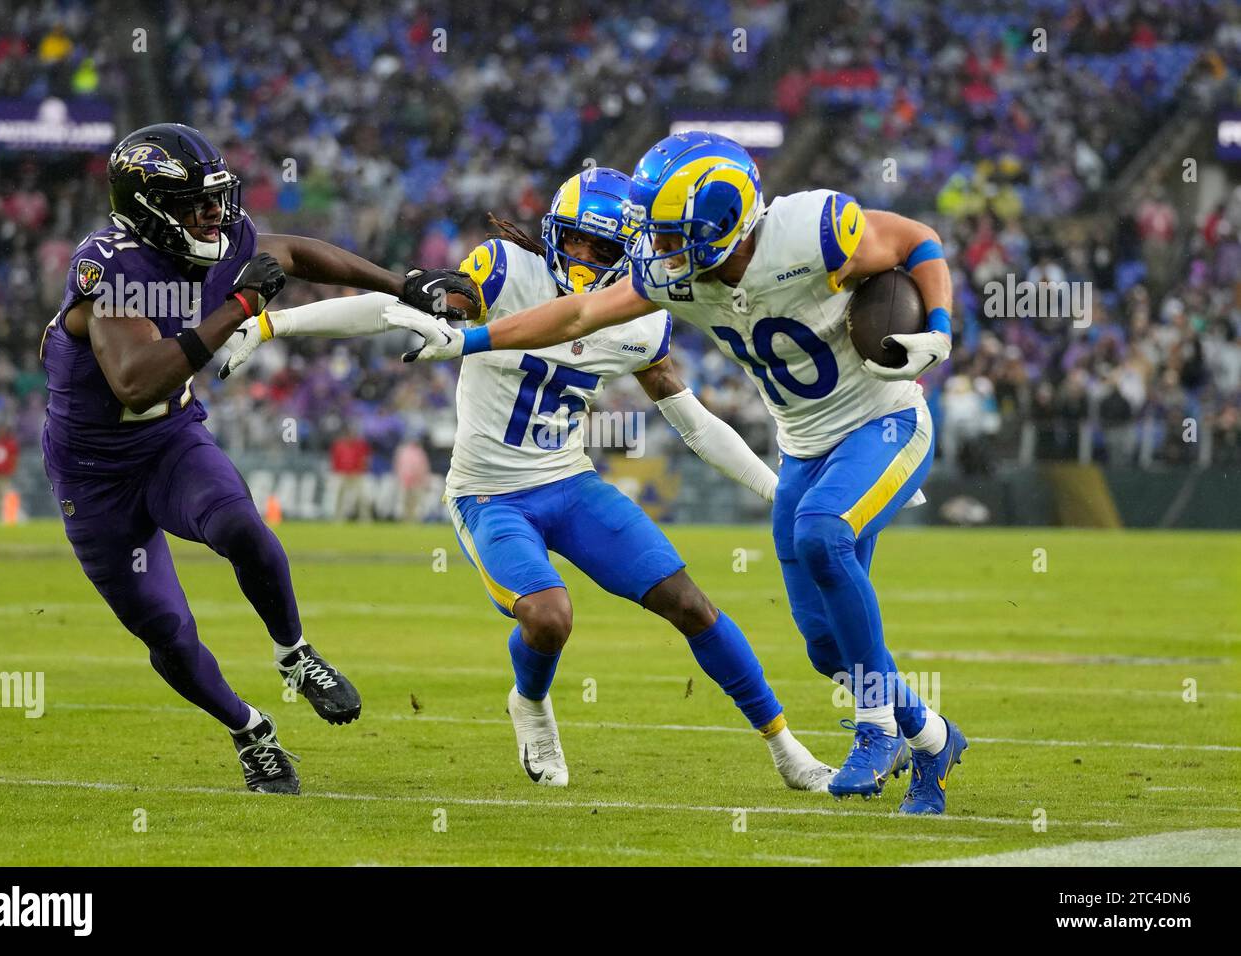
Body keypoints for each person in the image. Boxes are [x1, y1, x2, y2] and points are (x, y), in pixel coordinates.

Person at [389, 132, 968, 814]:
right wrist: (467, 338)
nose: (658, 252)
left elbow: (916, 240)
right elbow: (574, 312)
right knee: (823, 648)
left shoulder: (810, 229)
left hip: (883, 420)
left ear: (726, 223)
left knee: (820, 535)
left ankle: (898, 733)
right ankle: (920, 734)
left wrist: (939, 328)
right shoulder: (672, 272)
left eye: (671, 236)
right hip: (804, 448)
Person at [222, 168, 836, 793]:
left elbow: (692, 420)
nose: (583, 257)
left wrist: (775, 488)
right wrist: (274, 325)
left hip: (570, 483)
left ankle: (787, 749)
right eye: (573, 240)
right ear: (552, 233)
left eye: (603, 250)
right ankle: (531, 702)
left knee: (691, 605)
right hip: (489, 493)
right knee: (549, 616)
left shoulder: (641, 316)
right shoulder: (506, 270)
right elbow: (393, 308)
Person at [40, 122, 477, 794]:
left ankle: (295, 655)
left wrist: (402, 283)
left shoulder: (217, 238)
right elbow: (135, 380)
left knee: (241, 525)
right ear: (146, 207)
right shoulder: (110, 265)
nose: (214, 214)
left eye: (216, 197)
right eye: (195, 202)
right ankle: (250, 731)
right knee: (169, 632)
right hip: (95, 475)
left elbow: (295, 253)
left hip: (167, 442)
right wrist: (242, 304)